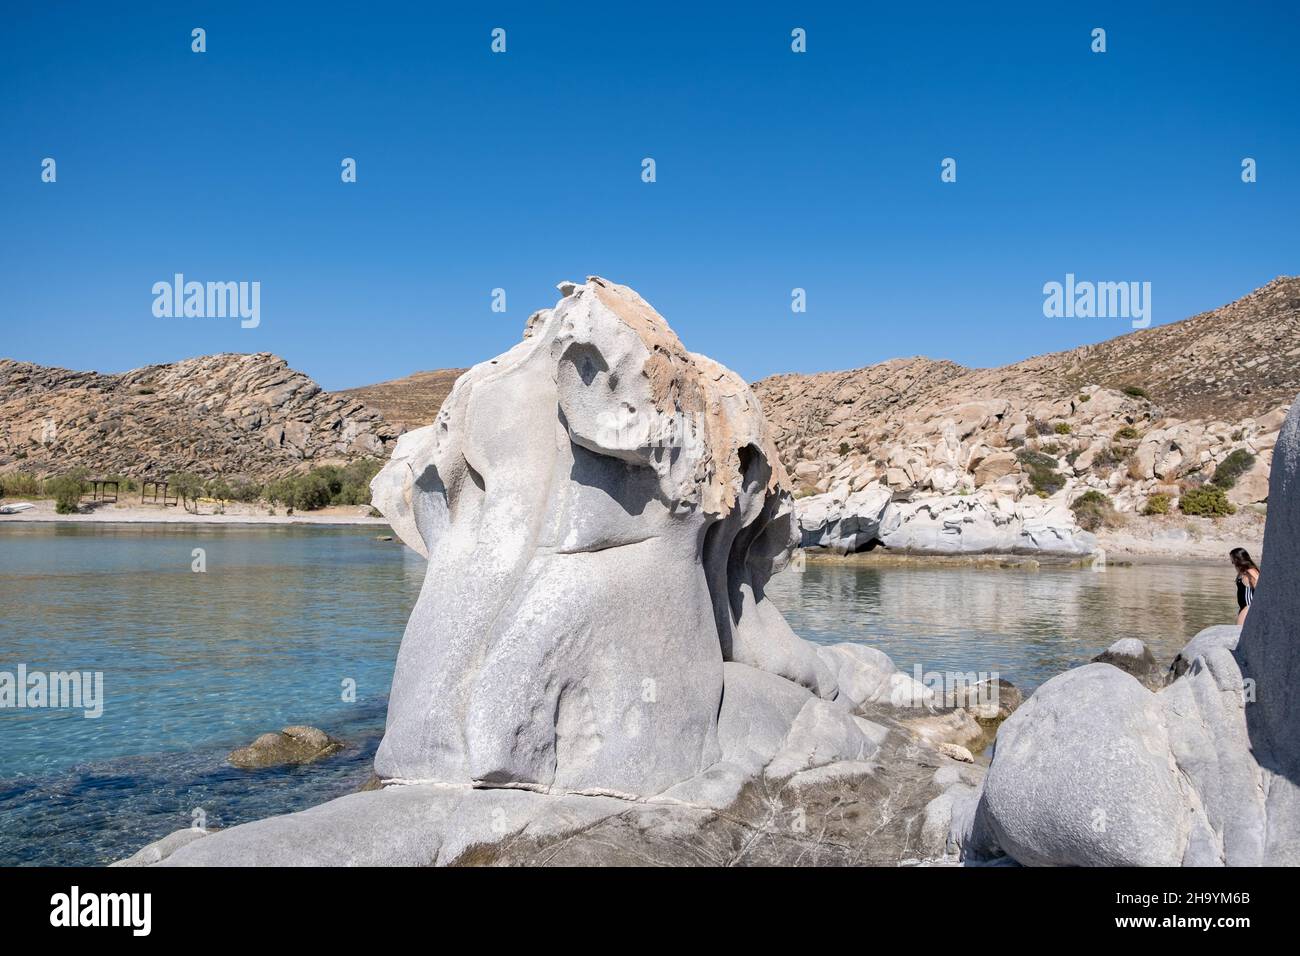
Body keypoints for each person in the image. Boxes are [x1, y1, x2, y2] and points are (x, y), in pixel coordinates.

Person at [1230, 548, 1260, 625]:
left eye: (1233, 561)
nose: (1233, 564)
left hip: (1249, 608)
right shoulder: (1242, 572)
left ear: (1238, 560)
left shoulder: (1251, 572)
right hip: (1243, 608)